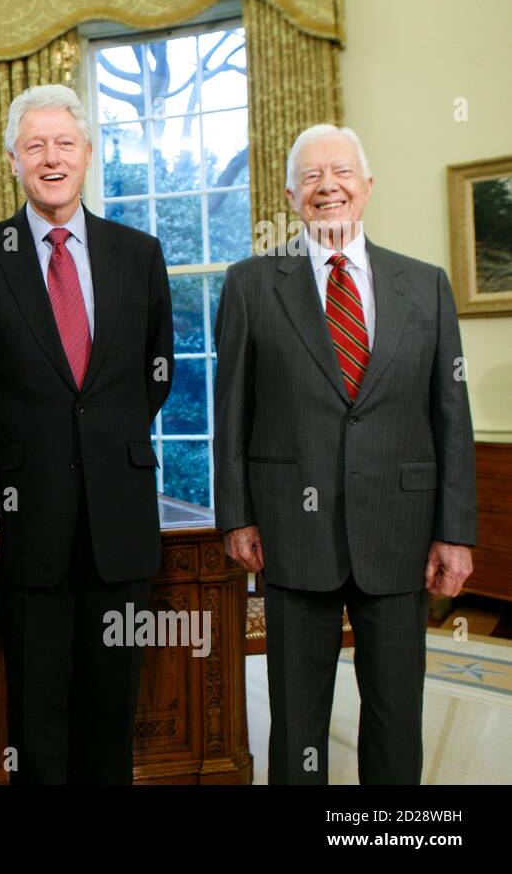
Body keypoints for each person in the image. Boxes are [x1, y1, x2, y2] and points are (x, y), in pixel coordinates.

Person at [213, 124, 477, 784]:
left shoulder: (425, 285)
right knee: (297, 718)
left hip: (400, 531)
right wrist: (236, 515)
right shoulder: (251, 284)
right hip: (291, 534)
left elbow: (452, 417)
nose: (327, 186)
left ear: (366, 186)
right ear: (290, 193)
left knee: (395, 714)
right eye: (310, 176)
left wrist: (455, 531)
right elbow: (232, 410)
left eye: (341, 173)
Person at [0, 84, 174, 784]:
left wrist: (104, 440)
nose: (52, 158)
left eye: (65, 144)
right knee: (36, 715)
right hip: (26, 524)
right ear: (13, 159)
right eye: (35, 146)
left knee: (113, 710)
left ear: (88, 154)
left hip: (121, 520)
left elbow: (154, 373)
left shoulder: (139, 253)